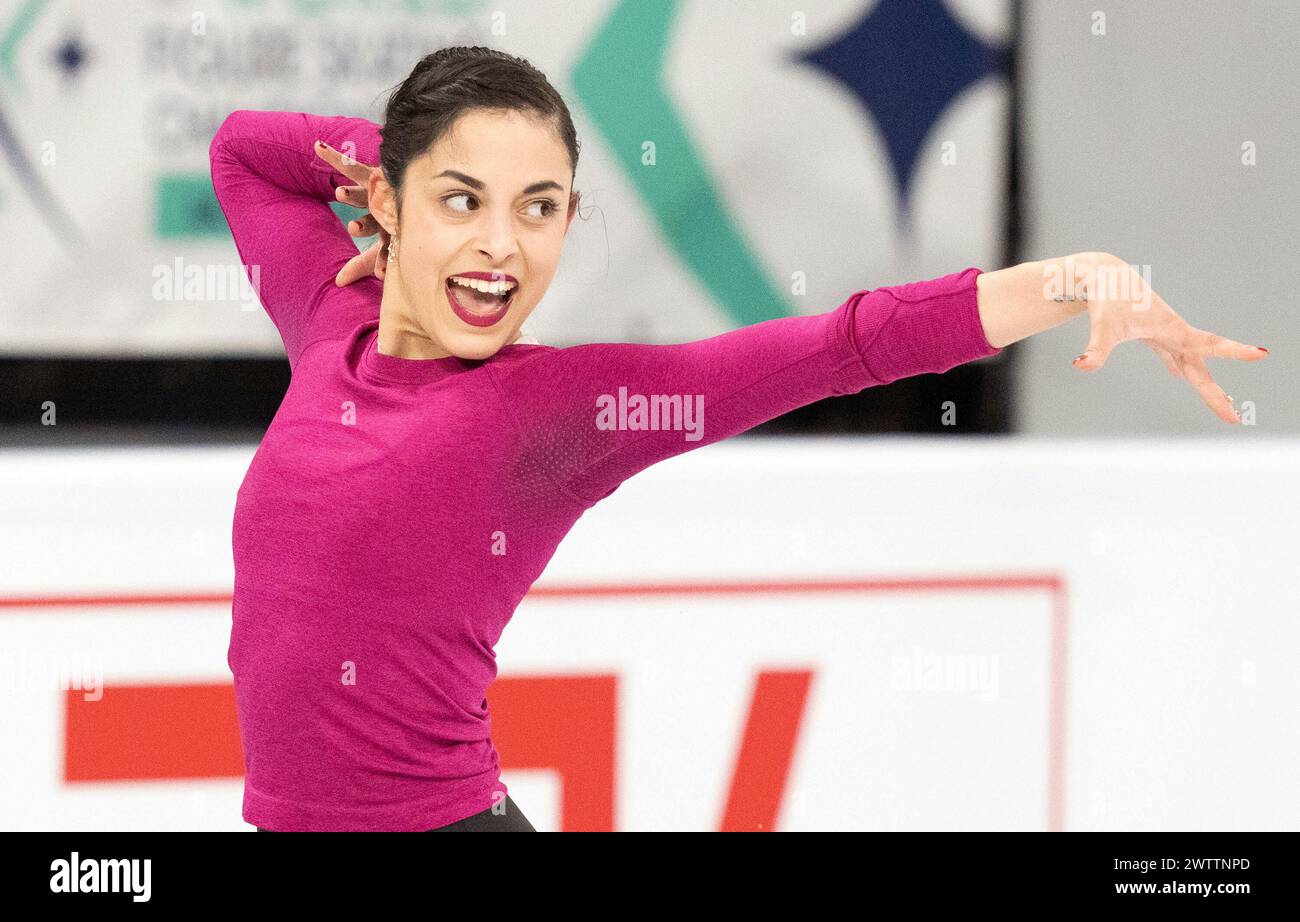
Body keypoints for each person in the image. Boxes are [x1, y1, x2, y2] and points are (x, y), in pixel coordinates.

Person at [209, 46, 1267, 832]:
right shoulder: (328, 322)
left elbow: (843, 345)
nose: (498, 246)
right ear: (386, 203)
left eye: (537, 209)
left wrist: (1071, 280)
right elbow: (240, 153)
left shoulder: (560, 413)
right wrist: (373, 158)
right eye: (460, 200)